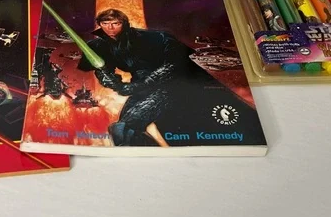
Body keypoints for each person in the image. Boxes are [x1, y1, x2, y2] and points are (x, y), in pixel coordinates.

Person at [77, 9, 244, 147]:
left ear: (124, 23)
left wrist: (138, 86)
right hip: (143, 87)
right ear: (100, 24)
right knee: (121, 131)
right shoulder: (99, 45)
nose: (110, 28)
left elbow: (174, 64)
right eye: (105, 24)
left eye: (115, 23)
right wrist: (115, 84)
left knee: (127, 129)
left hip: (173, 84)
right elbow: (103, 70)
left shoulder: (155, 38)